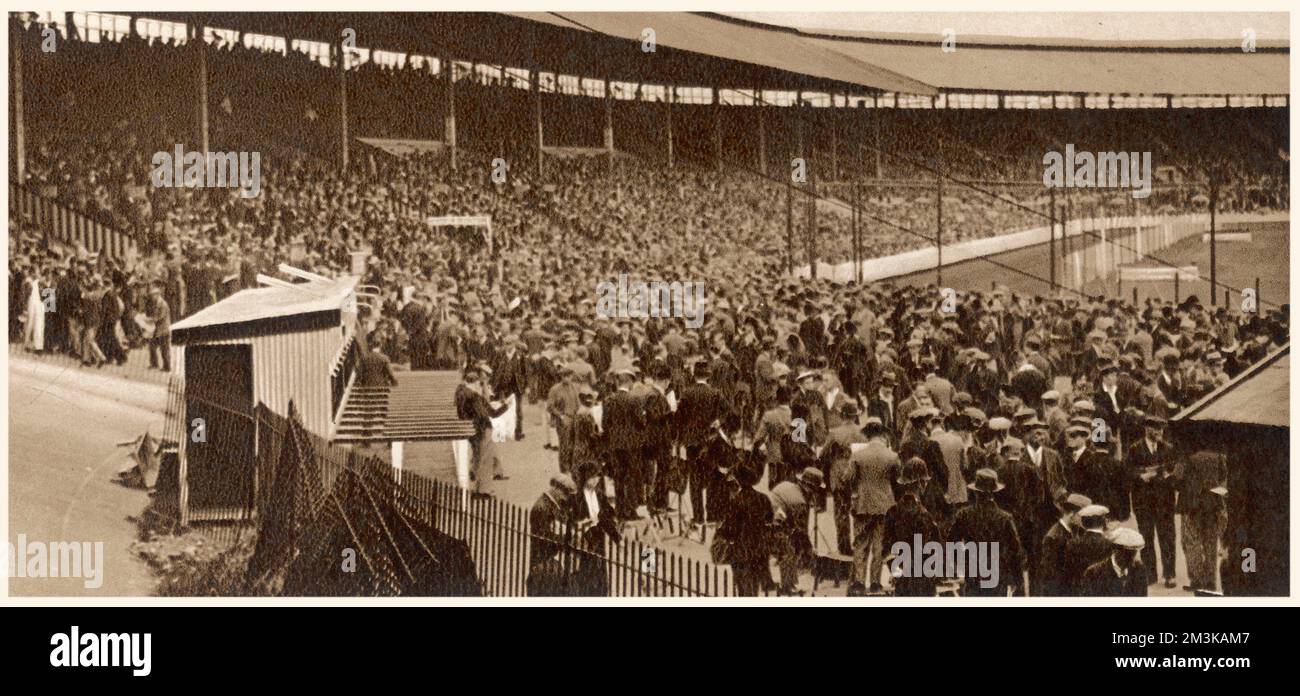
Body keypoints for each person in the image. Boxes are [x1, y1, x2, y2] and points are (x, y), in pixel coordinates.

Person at [949, 468, 1023, 597]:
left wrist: (962, 566)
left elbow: (952, 544)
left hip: (973, 572)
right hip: (998, 573)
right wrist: (1016, 579)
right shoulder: (1005, 518)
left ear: (976, 492)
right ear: (994, 493)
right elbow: (1015, 551)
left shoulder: (964, 514)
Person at [1127, 414, 1177, 588]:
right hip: (1144, 502)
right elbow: (1127, 473)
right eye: (1156, 429)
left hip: (1165, 502)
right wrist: (1141, 476)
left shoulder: (1168, 449)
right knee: (1146, 537)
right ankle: (1150, 574)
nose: (1159, 432)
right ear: (1147, 429)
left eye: (1161, 429)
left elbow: (1174, 471)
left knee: (1168, 537)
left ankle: (1170, 574)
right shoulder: (1135, 449)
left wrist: (1167, 475)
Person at [849, 416, 898, 594]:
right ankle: (876, 581)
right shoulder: (892, 456)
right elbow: (896, 480)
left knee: (861, 543)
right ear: (883, 435)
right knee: (880, 544)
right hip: (885, 505)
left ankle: (859, 581)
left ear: (867, 436)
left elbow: (848, 479)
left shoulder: (857, 455)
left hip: (863, 504)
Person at [882, 457, 943, 597]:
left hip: (902, 581)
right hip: (923, 582)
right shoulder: (924, 515)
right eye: (925, 481)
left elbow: (886, 548)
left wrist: (896, 572)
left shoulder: (892, 512)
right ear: (921, 483)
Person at [715, 459, 774, 596]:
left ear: (739, 481)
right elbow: (769, 520)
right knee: (754, 587)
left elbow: (730, 531)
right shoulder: (763, 498)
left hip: (742, 551)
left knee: (743, 588)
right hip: (760, 550)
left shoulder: (736, 501)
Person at [1175, 450, 1228, 593]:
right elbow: (1224, 478)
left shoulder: (1186, 456)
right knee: (1211, 544)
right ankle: (1210, 582)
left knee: (1191, 543)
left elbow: (1177, 479)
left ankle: (1197, 580)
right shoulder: (1219, 456)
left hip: (1191, 507)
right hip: (1212, 505)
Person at [455, 365, 510, 494]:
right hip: (481, 429)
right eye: (479, 384)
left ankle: (480, 488)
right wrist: (506, 406)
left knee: (479, 458)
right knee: (485, 460)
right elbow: (485, 414)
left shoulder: (461, 393)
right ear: (474, 383)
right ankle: (484, 490)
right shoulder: (473, 396)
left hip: (471, 430)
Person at [570, 459, 621, 596]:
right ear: (585, 478)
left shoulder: (599, 495)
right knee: (586, 569)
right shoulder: (577, 497)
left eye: (597, 477)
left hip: (598, 535)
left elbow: (606, 519)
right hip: (585, 536)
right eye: (592, 477)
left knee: (600, 570)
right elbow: (572, 520)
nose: (596, 481)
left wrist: (617, 538)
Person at [768, 467, 822, 596]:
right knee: (788, 550)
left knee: (790, 544)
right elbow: (800, 531)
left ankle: (789, 582)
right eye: (815, 490)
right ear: (810, 488)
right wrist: (809, 550)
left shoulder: (788, 485)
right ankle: (787, 587)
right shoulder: (799, 502)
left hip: (766, 521)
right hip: (772, 526)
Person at [527, 474, 578, 597]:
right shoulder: (542, 508)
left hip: (552, 564)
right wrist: (566, 541)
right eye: (566, 493)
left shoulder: (553, 505)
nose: (566, 498)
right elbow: (544, 538)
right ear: (556, 488)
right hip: (543, 566)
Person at [1037, 493, 1092, 597]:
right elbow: (1052, 578)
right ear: (1072, 514)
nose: (1085, 520)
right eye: (1083, 516)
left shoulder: (1074, 532)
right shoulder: (1053, 538)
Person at [1079, 527, 1148, 597]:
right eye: (1127, 555)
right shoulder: (1093, 574)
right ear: (1114, 550)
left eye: (1134, 554)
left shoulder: (1139, 570)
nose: (1131, 560)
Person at [1063, 504, 1113, 595]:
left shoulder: (1072, 543)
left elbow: (1068, 575)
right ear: (1103, 521)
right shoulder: (1109, 544)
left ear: (1083, 523)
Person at [147, 283, 171, 372]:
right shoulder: (157, 303)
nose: (152, 297)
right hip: (158, 330)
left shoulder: (163, 304)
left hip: (163, 330)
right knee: (152, 346)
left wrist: (150, 320)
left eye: (153, 295)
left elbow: (160, 317)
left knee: (164, 349)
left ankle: (167, 366)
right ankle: (154, 363)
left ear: (157, 295)